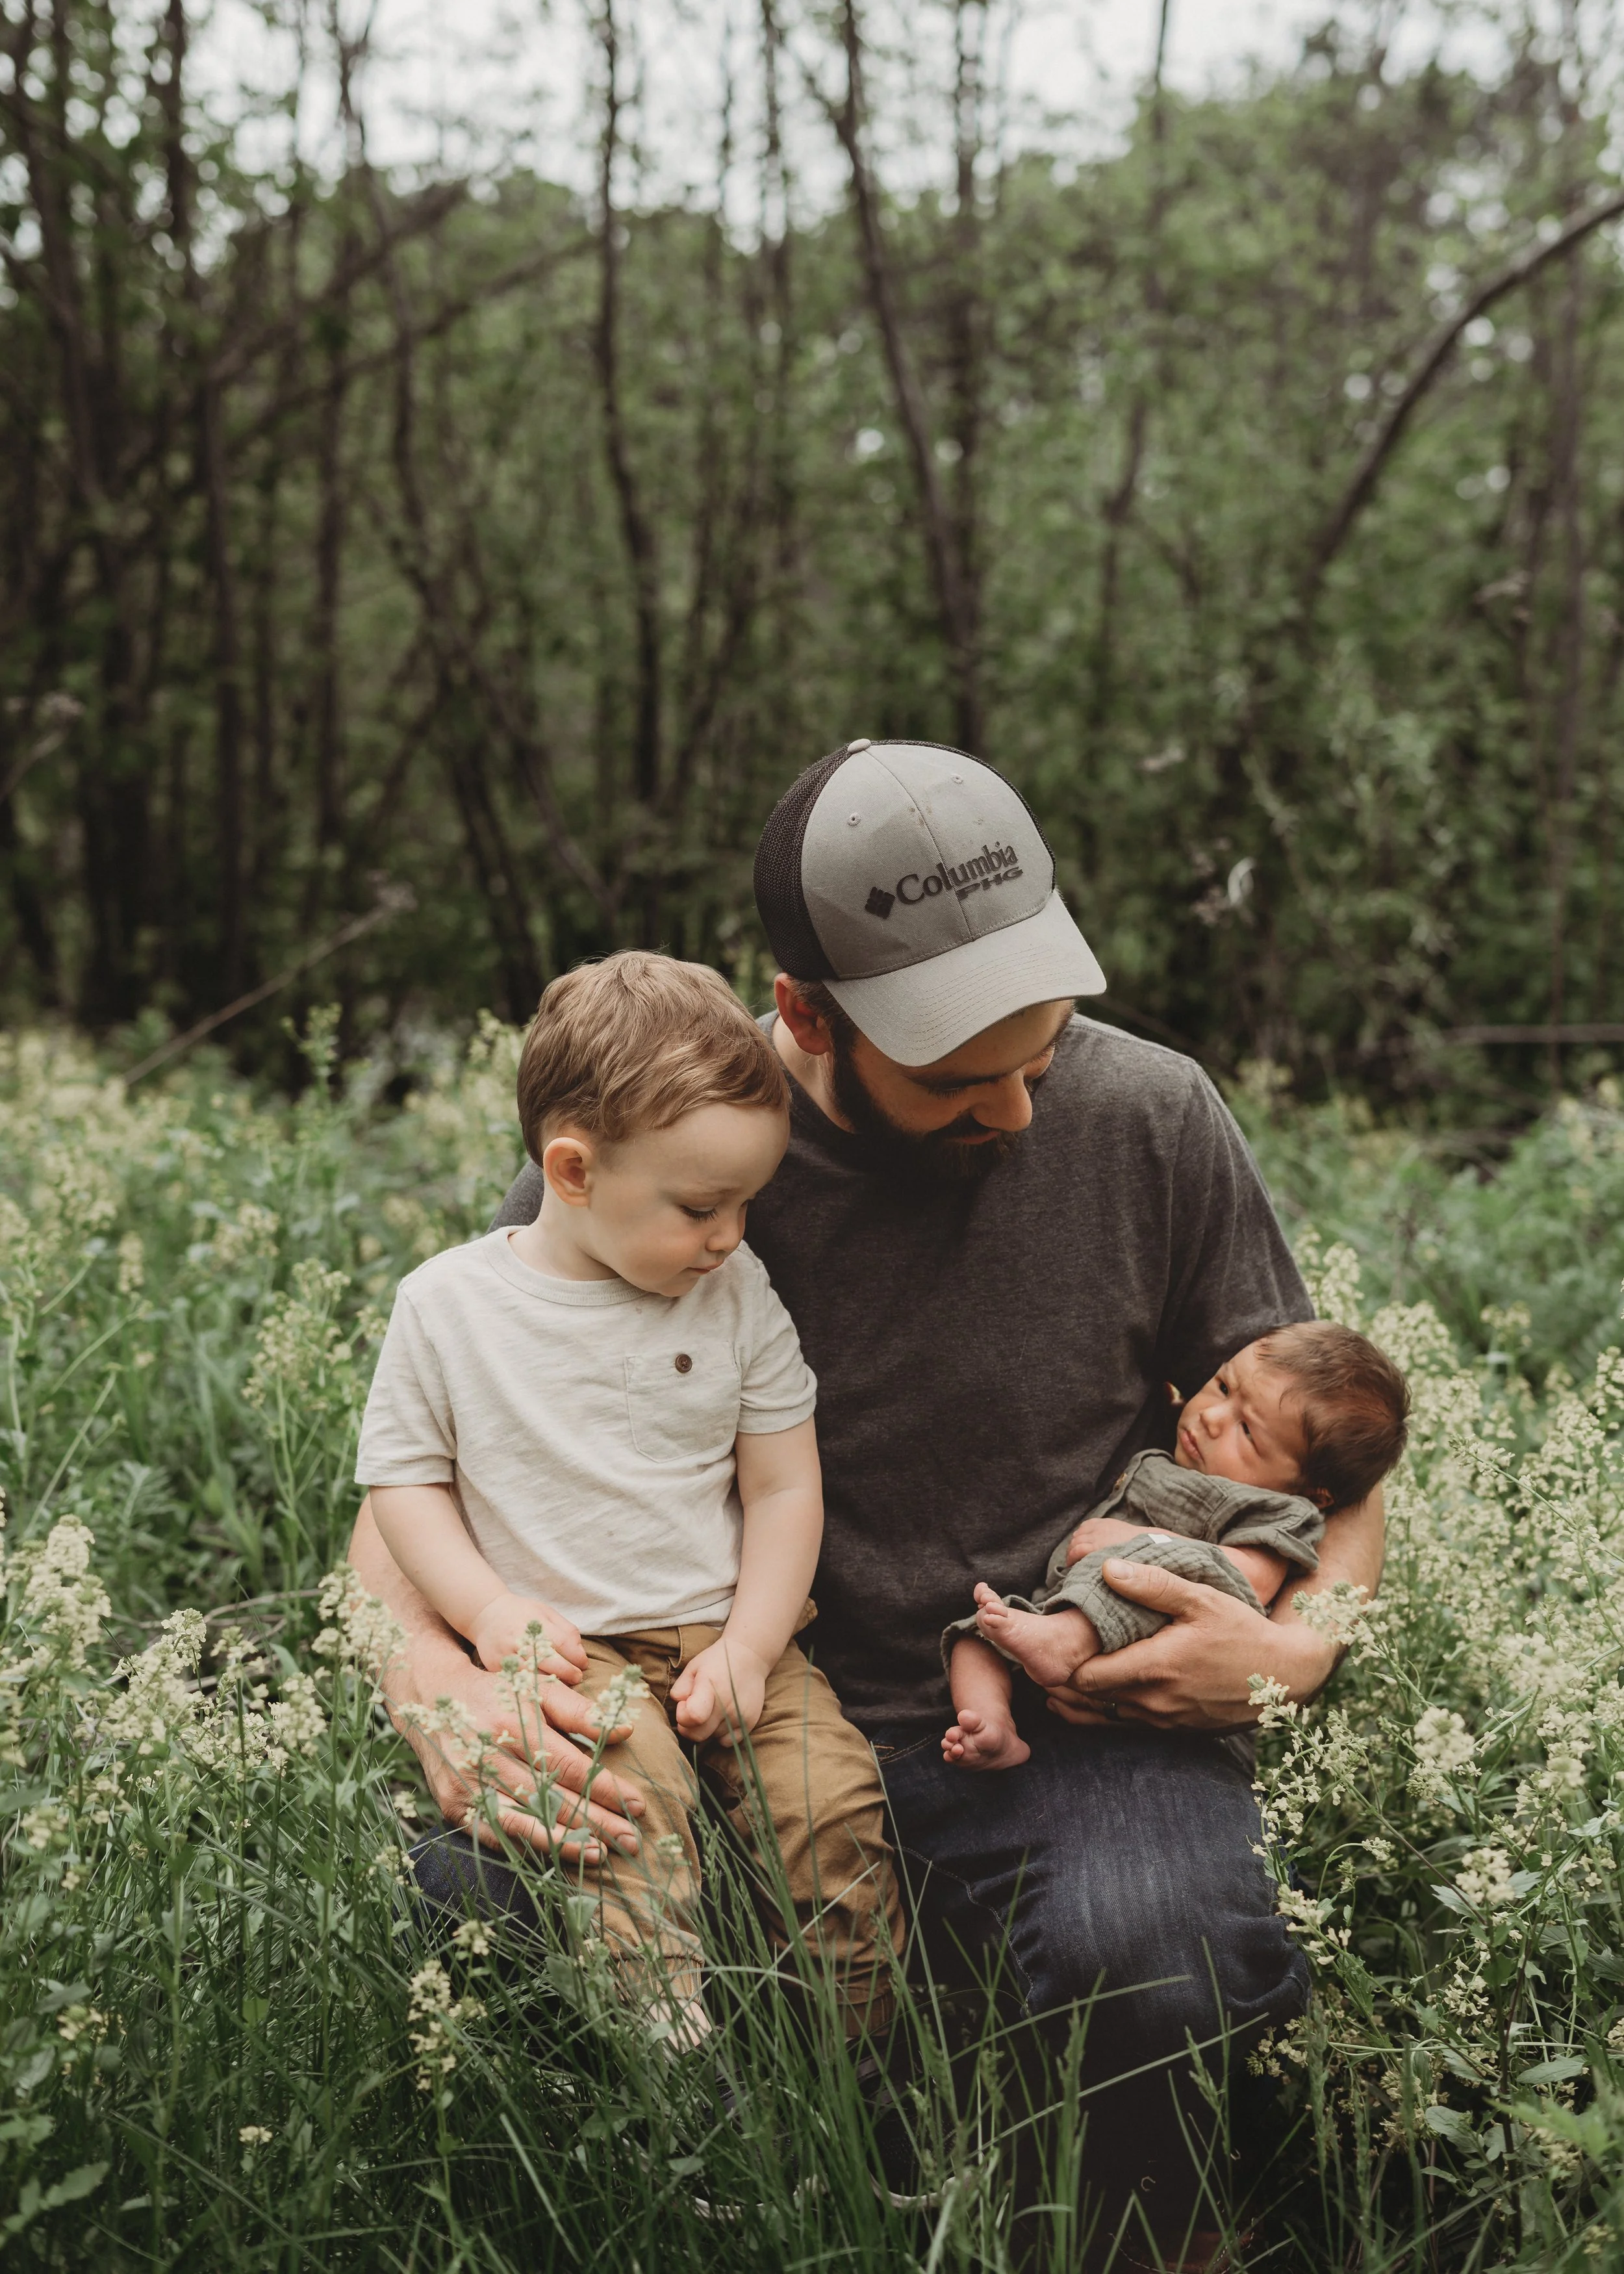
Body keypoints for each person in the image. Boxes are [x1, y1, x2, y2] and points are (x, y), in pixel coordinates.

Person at [348, 739, 1386, 2262]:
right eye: (958, 1076)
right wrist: (430, 1683)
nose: (1014, 1109)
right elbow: (412, 1478)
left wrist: (1300, 1647)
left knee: (1153, 1945)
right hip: (719, 1704)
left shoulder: (1154, 1117)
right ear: (804, 1015)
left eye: (1039, 1052)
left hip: (1065, 1721)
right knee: (479, 1903)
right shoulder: (674, 1138)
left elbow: (1334, 1465)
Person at [355, 952, 900, 2043]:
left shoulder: (735, 1292)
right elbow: (404, 1483)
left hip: (731, 1635)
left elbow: (785, 1484)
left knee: (834, 1805)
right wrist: (485, 1613)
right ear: (573, 1171)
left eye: (748, 1202)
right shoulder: (451, 1306)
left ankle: (858, 2063)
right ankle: (672, 2058)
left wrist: (751, 1648)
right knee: (625, 1814)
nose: (731, 1234)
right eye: (701, 1207)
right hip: (571, 1649)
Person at [941, 1322, 1409, 1769]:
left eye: (1248, 1431)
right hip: (1050, 1610)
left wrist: (1143, 1541)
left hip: (1138, 1630)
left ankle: (1063, 1639)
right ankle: (993, 1727)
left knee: (1150, 1579)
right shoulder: (1181, 1441)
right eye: (1223, 1386)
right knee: (976, 1637)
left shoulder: (1277, 1510)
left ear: (1312, 1492)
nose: (1211, 1417)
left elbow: (1251, 1579)